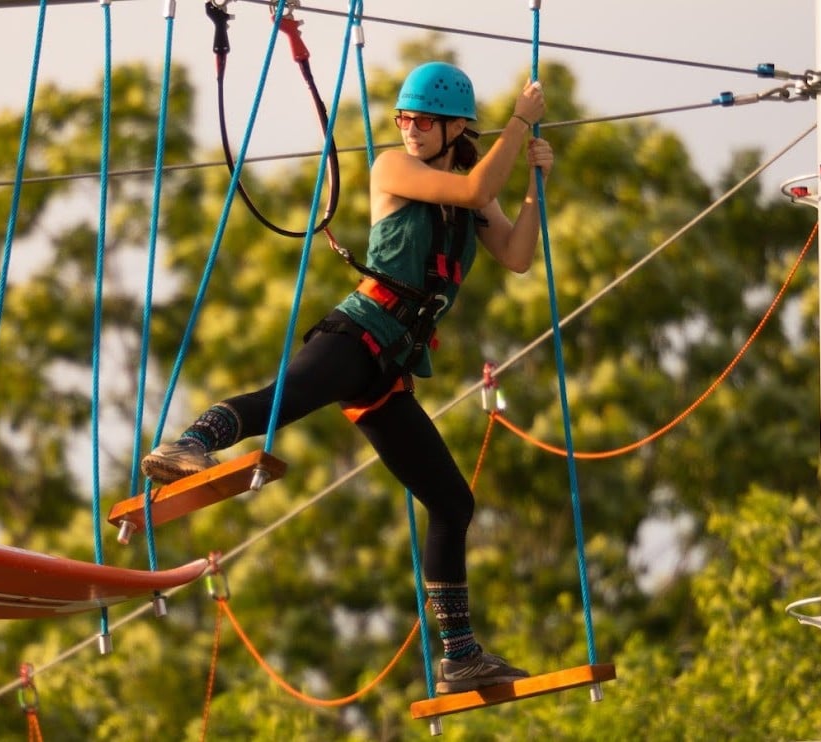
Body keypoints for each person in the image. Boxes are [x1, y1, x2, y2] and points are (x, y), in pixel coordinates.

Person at [142, 61, 552, 694]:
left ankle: (461, 655)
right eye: (404, 119)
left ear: (455, 128)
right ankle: (188, 444)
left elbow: (518, 257)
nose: (410, 130)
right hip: (360, 331)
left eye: (422, 121)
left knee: (452, 502)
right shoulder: (394, 168)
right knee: (284, 399)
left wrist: (533, 186)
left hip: (389, 367)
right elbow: (471, 192)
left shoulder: (475, 193)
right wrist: (521, 122)